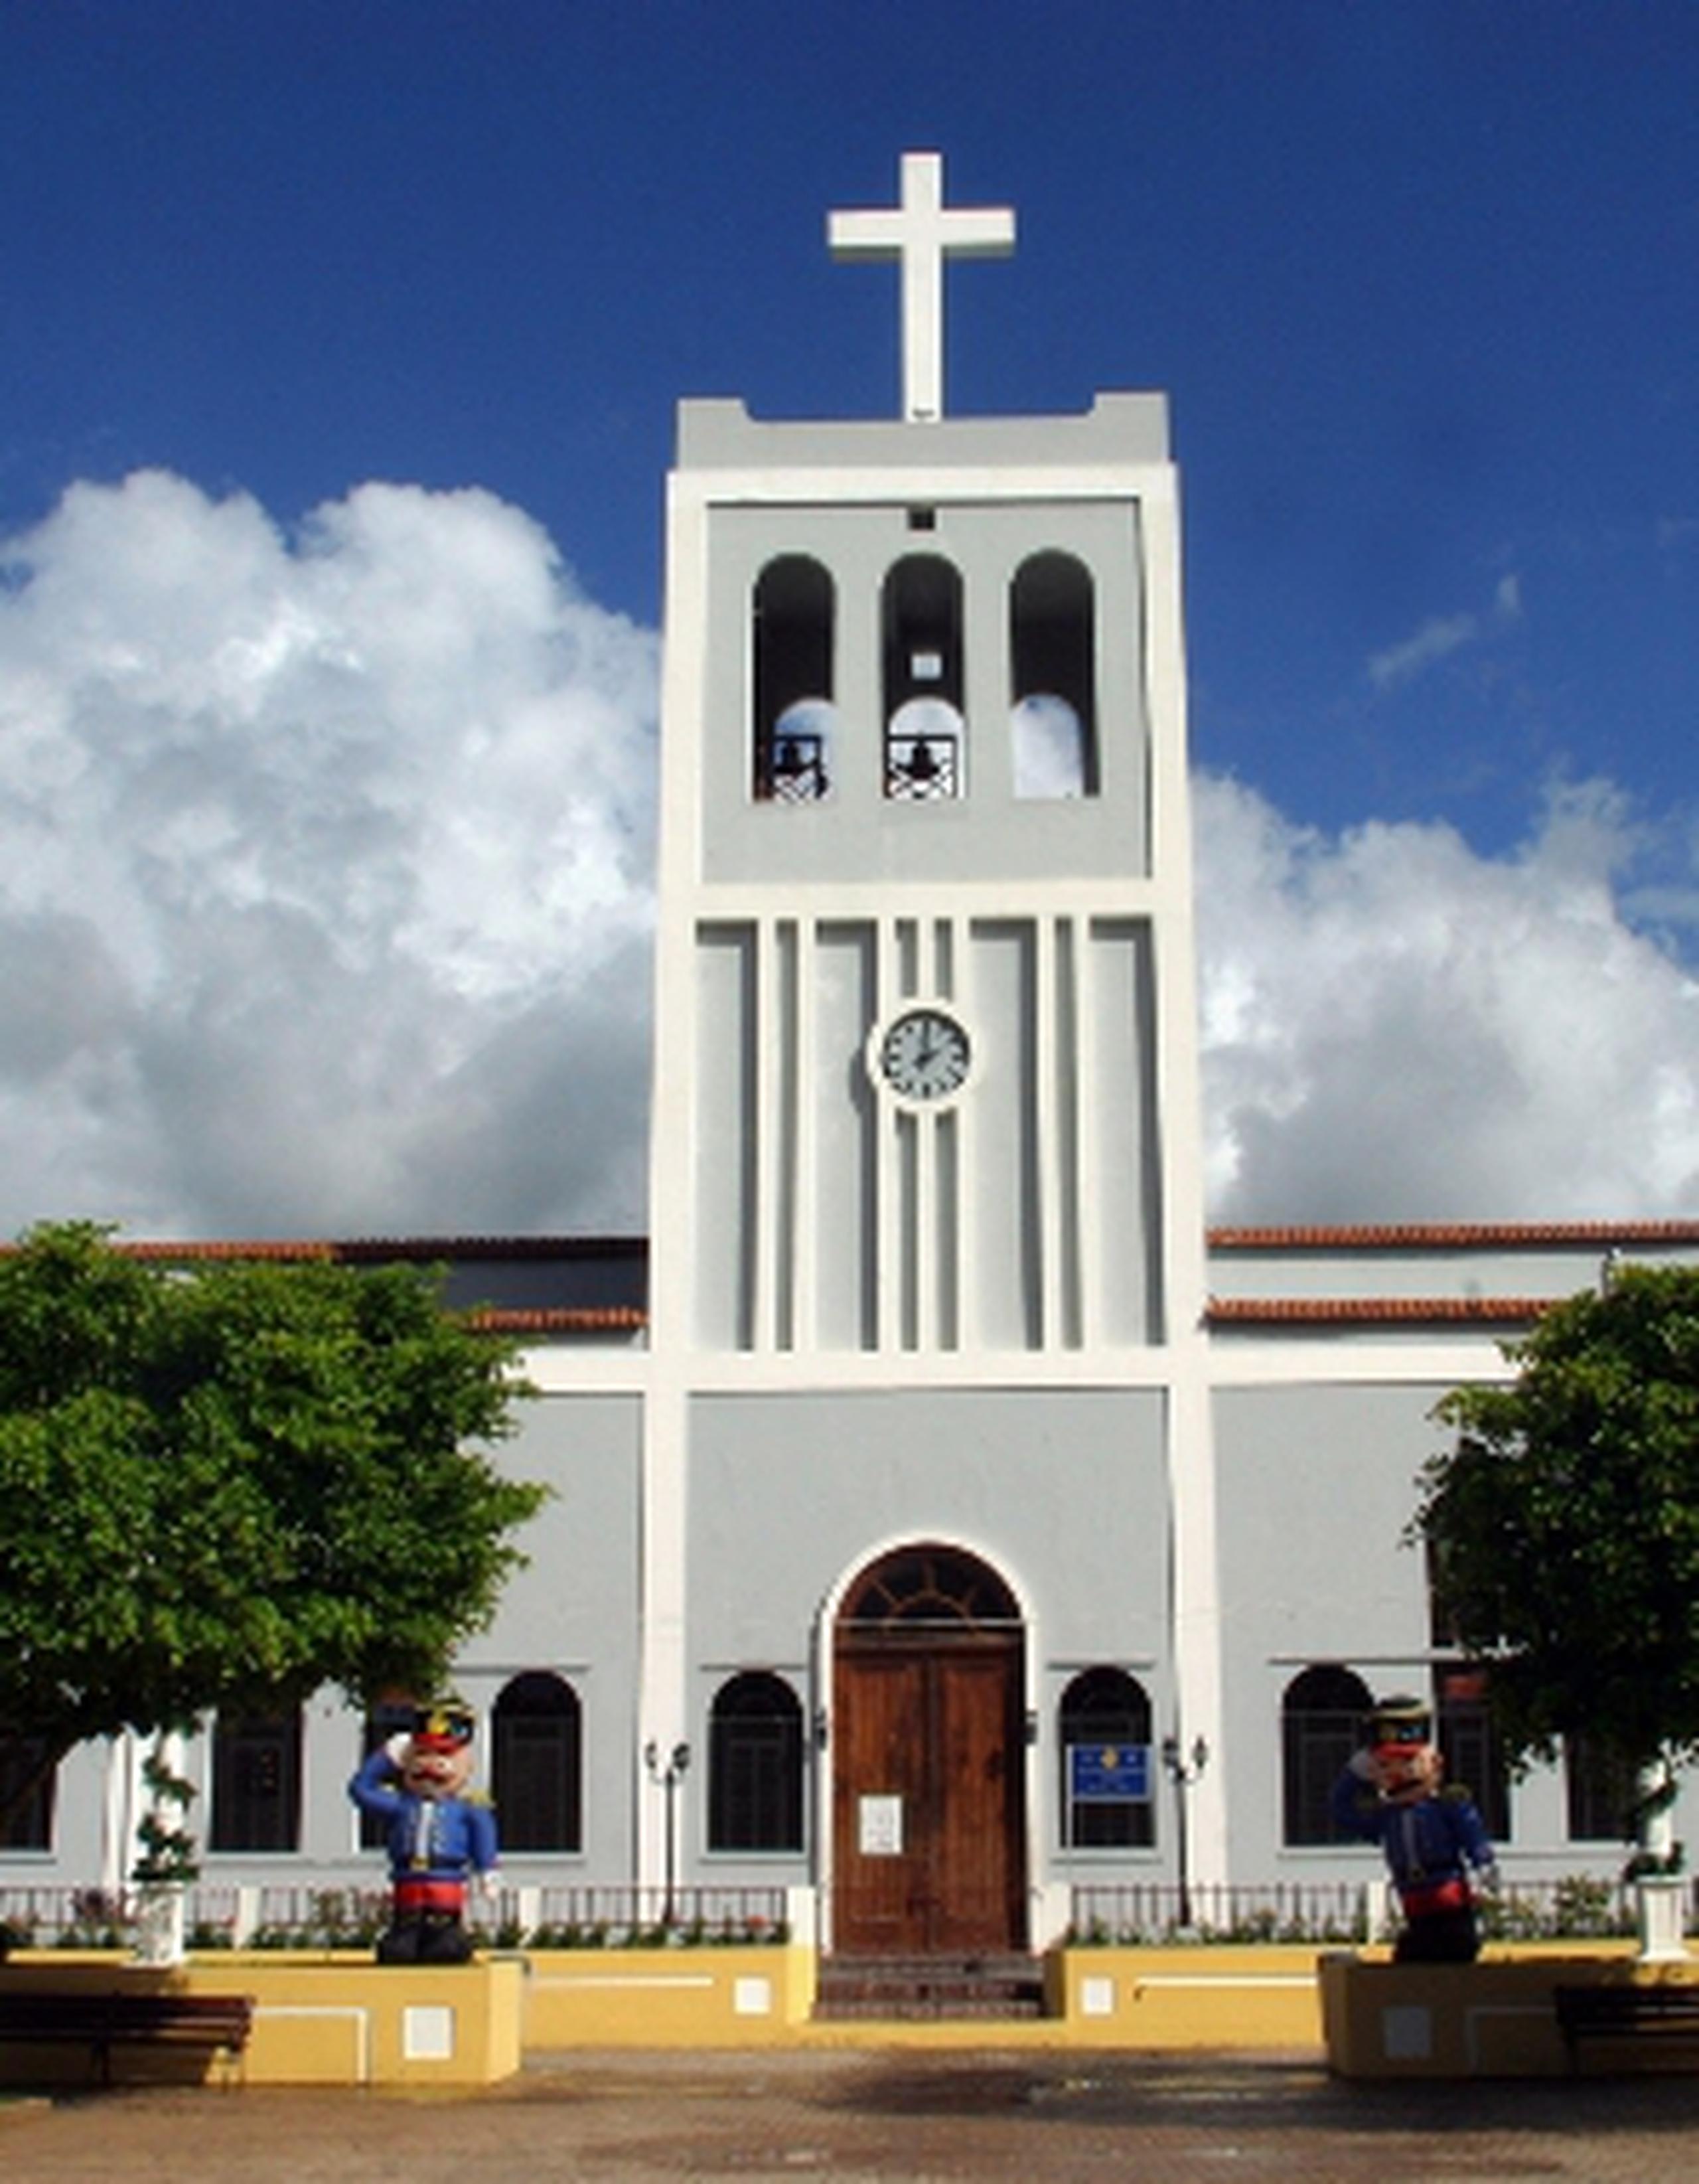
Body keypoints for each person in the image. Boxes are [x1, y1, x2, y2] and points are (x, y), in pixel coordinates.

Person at [1331, 1693, 1497, 1962]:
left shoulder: (1447, 1804)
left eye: (1408, 1762)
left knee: (1455, 1957)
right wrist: (1353, 1773)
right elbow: (1342, 1810)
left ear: (1433, 1763)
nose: (1397, 1773)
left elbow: (1473, 1836)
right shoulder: (1387, 1817)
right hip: (1415, 1909)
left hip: (1450, 1903)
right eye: (1384, 1765)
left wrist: (1484, 1868)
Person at [348, 1697, 499, 1964]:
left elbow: (483, 1835)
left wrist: (487, 1870)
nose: (430, 1765)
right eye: (421, 1754)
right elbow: (361, 1789)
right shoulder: (401, 1805)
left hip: (446, 1880)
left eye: (443, 1755)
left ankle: (445, 1938)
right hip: (407, 1881)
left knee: (444, 1939)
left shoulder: (468, 1808)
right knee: (403, 1938)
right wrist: (387, 1756)